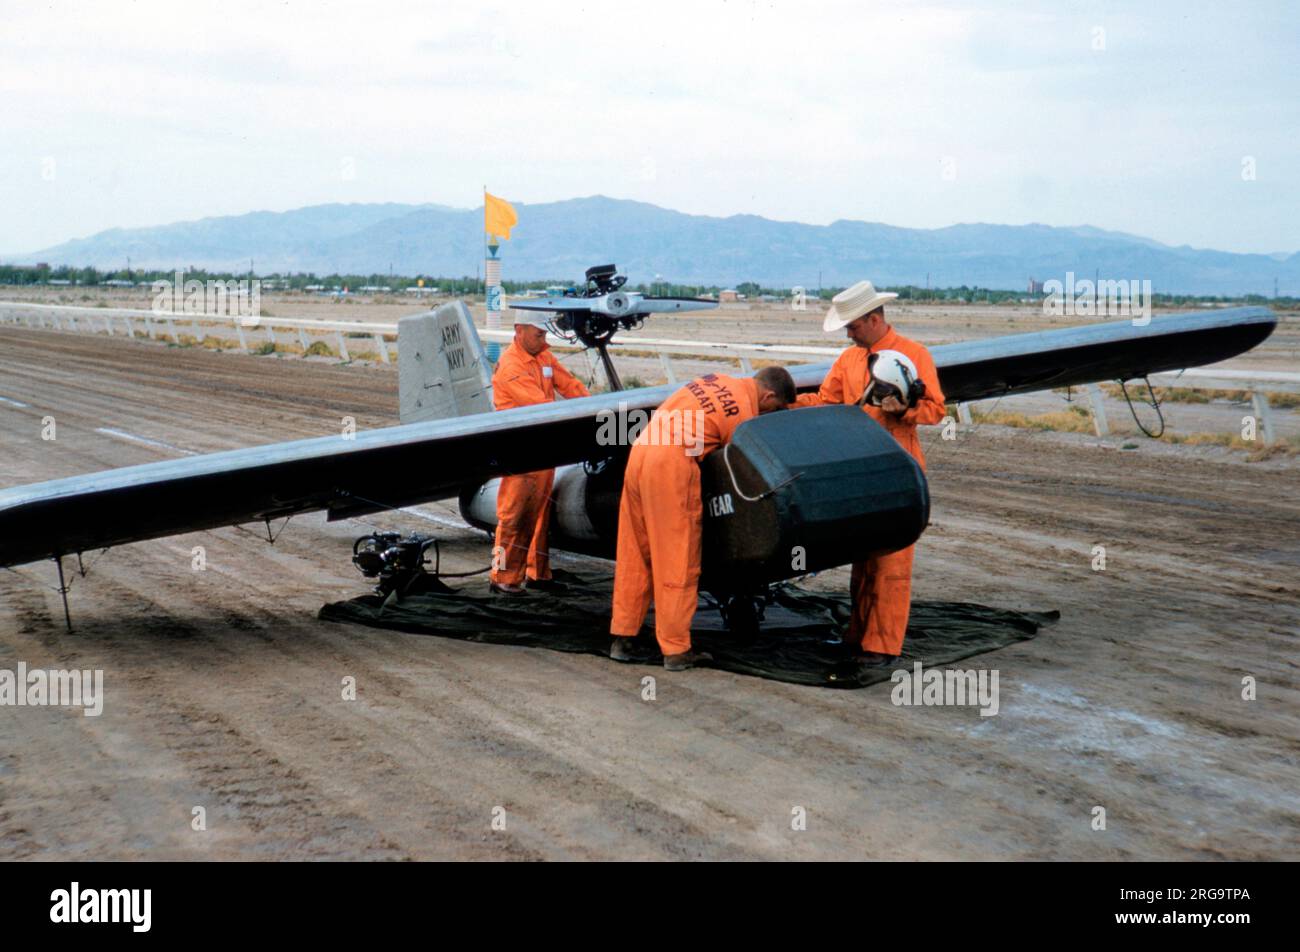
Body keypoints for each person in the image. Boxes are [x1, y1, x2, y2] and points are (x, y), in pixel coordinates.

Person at [796, 280, 946, 665]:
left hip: (898, 472)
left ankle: (881, 647)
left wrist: (904, 411)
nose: (848, 333)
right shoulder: (848, 361)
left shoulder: (914, 354)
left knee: (891, 565)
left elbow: (936, 409)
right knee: (864, 560)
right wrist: (784, 403)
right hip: (859, 473)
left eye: (853, 326)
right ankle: (857, 636)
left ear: (874, 318)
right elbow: (827, 401)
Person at [610, 366, 796, 670]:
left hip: (641, 452)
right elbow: (741, 469)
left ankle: (623, 638)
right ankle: (676, 649)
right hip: (671, 464)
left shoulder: (718, 380)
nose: (769, 415)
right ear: (769, 394)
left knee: (636, 554)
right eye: (774, 408)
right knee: (677, 559)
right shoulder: (745, 416)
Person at [489, 312, 591, 595]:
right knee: (514, 517)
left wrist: (596, 410)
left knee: (540, 516)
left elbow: (569, 385)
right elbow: (542, 408)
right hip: (521, 452)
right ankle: (502, 578)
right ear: (519, 330)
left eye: (545, 335)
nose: (544, 340)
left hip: (543, 451)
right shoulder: (511, 366)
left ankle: (537, 574)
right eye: (539, 334)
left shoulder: (543, 357)